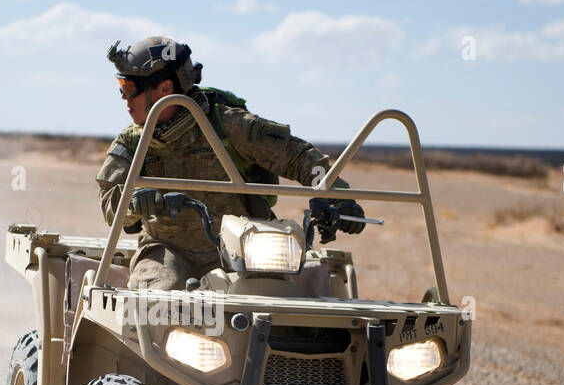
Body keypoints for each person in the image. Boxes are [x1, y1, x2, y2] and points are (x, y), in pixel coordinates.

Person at [96, 36, 365, 291]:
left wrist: (338, 195)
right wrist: (132, 202)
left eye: (129, 89)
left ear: (165, 89)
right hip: (166, 251)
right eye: (121, 88)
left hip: (243, 248)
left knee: (272, 312)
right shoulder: (132, 140)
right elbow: (109, 203)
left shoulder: (229, 125)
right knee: (157, 303)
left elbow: (296, 156)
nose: (124, 100)